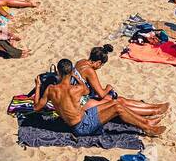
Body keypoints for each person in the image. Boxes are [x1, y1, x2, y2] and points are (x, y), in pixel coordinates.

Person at [32, 58, 167, 136]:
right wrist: (76, 77)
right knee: (118, 108)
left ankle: (147, 123)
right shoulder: (76, 89)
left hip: (84, 117)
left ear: (58, 72)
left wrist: (38, 86)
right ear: (71, 72)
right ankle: (147, 128)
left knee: (117, 104)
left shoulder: (50, 89)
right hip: (82, 126)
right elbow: (85, 90)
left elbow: (36, 107)